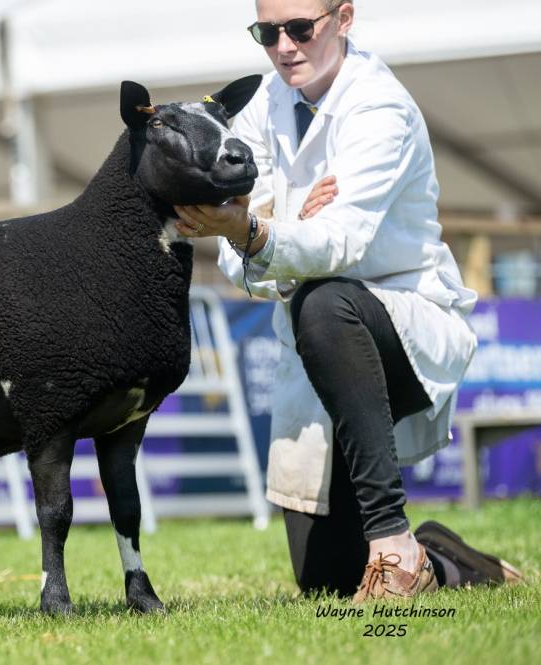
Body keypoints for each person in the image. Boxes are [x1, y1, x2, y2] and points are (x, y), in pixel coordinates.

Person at [173, 0, 522, 601]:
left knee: (324, 301)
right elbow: (238, 259)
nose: (285, 46)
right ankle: (445, 559)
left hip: (402, 327)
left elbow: (338, 242)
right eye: (268, 32)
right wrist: (268, 231)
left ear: (345, 18)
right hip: (317, 345)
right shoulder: (262, 106)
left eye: (300, 28)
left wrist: (259, 227)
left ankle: (394, 542)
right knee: (325, 583)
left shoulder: (380, 106)